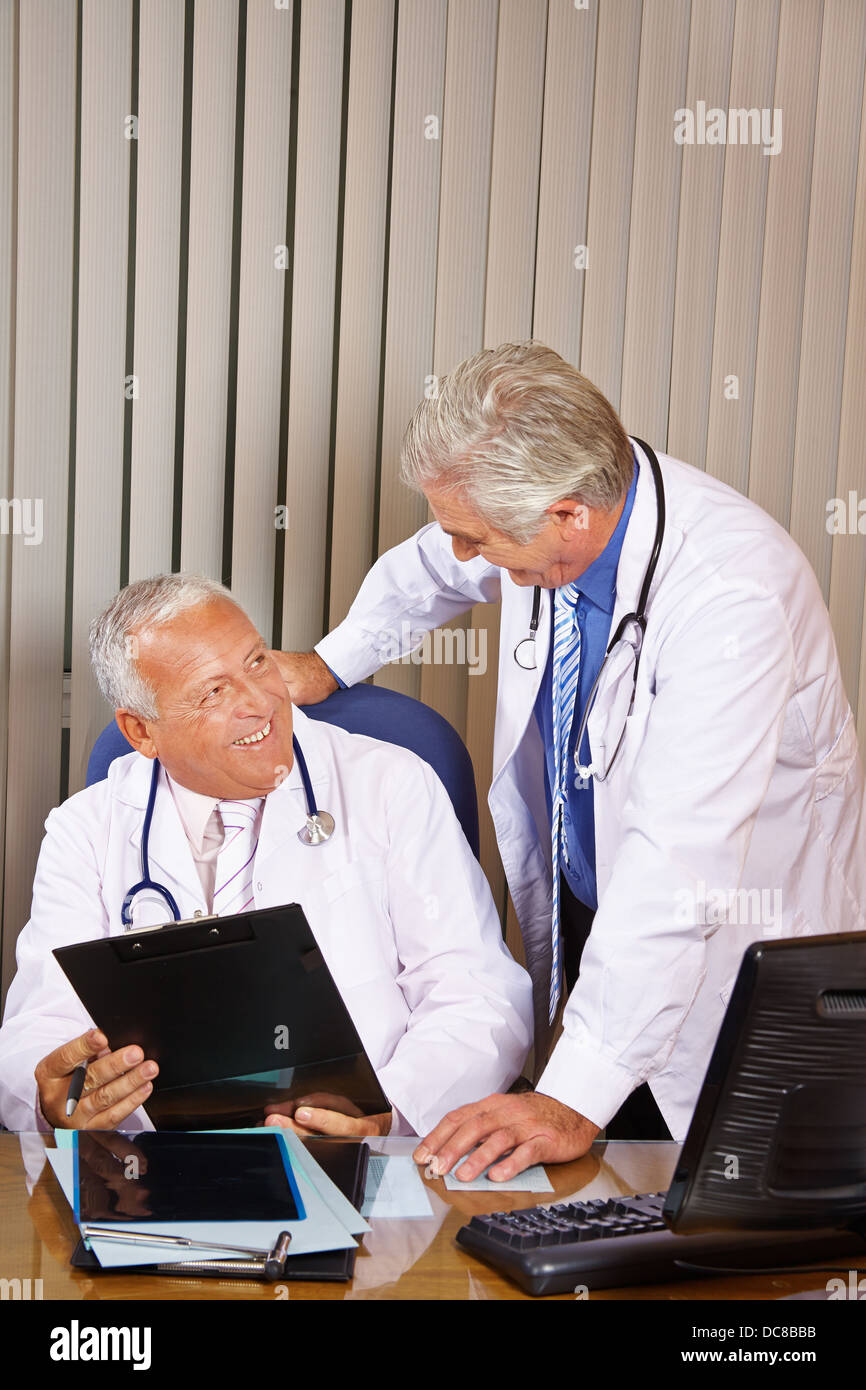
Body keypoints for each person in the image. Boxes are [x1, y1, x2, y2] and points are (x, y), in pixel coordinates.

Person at [275, 340, 866, 1181]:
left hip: (724, 937)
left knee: (723, 1215)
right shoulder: (557, 510)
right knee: (607, 1194)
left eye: (480, 541)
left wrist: (570, 1098)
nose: (467, 558)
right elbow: (429, 567)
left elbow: (678, 871)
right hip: (602, 910)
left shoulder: (734, 597)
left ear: (567, 516)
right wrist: (331, 662)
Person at [0, 574, 532, 1135]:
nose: (261, 703)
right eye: (213, 691)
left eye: (256, 662)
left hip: (362, 1156)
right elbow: (42, 1027)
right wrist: (55, 1100)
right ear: (141, 732)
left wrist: (390, 1114)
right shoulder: (86, 829)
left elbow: (477, 995)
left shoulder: (390, 784)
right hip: (152, 1171)